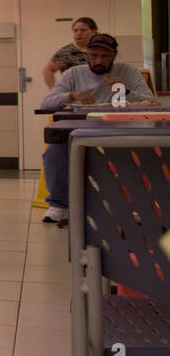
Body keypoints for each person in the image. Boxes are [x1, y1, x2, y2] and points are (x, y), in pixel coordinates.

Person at [37, 32, 158, 225]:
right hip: (81, 129)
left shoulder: (127, 72)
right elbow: (46, 103)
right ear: (87, 55)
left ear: (114, 56)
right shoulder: (73, 74)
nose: (98, 60)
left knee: (142, 150)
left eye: (105, 56)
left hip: (117, 131)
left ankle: (136, 203)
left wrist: (126, 91)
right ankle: (59, 205)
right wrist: (71, 96)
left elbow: (152, 103)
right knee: (54, 152)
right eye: (93, 55)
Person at [43, 17, 97, 88]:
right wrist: (55, 92)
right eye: (75, 31)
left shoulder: (99, 50)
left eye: (83, 30)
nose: (78, 33)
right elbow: (47, 70)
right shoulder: (67, 51)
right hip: (74, 94)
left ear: (93, 31)